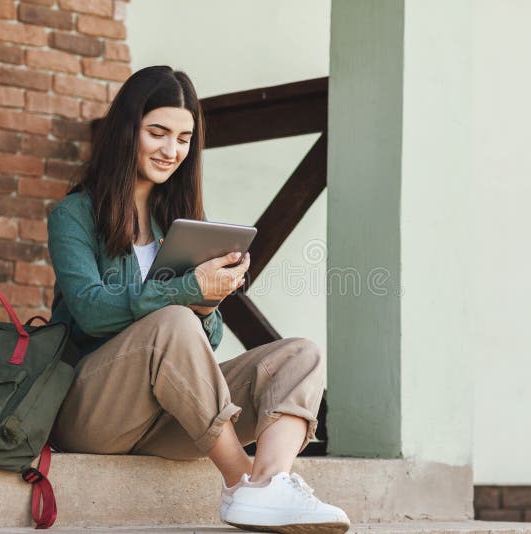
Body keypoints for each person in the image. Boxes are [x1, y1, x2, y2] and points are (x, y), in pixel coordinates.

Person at [45, 65, 350, 534]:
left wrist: (208, 304)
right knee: (172, 322)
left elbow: (202, 339)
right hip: (92, 411)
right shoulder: (75, 214)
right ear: (128, 131)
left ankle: (272, 483)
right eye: (158, 132)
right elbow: (89, 309)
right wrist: (186, 294)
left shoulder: (179, 223)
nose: (171, 151)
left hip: (167, 418)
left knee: (300, 355)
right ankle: (241, 483)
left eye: (184, 139)